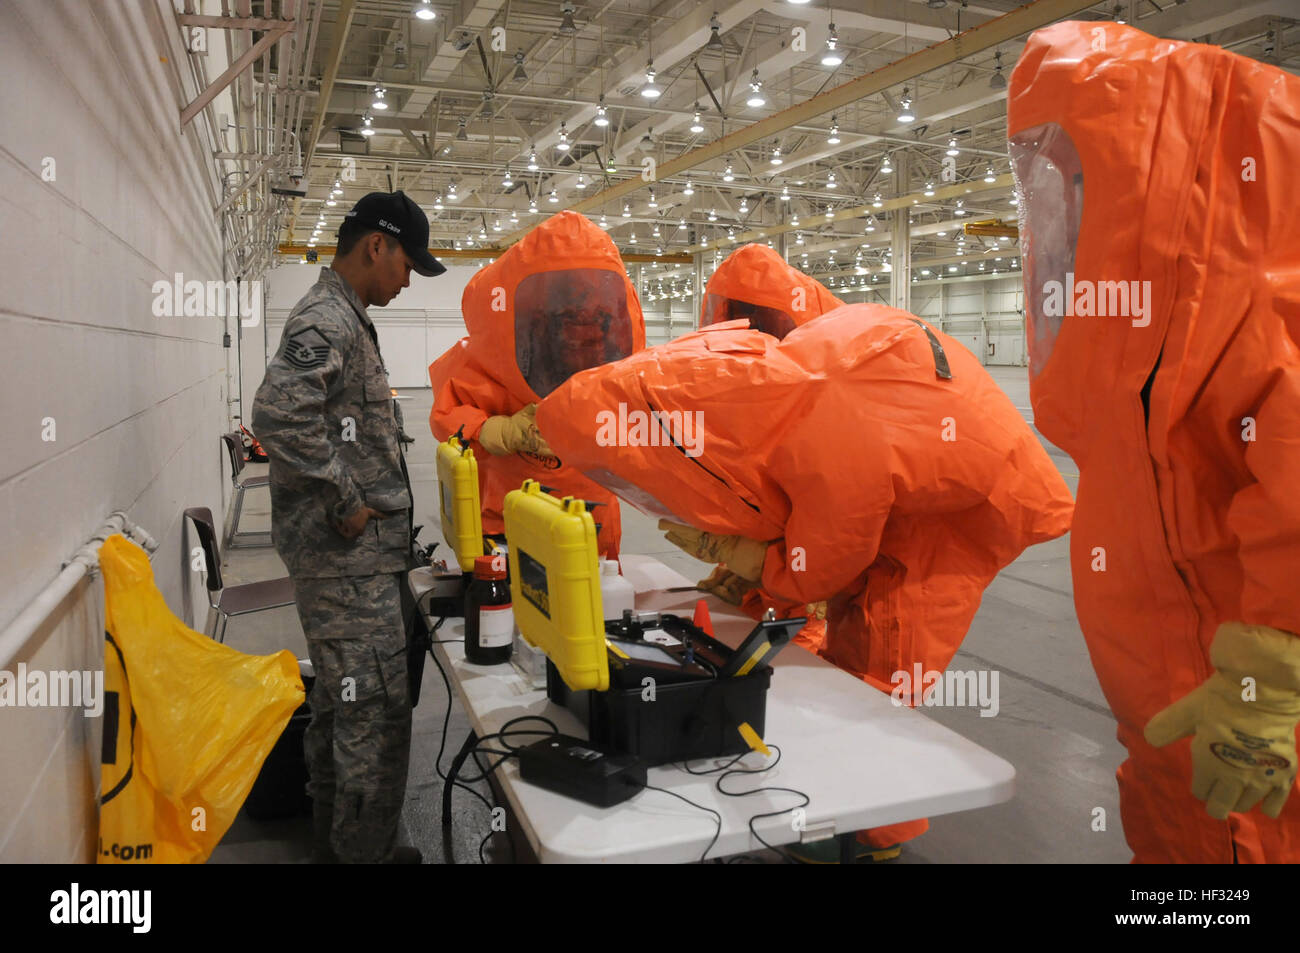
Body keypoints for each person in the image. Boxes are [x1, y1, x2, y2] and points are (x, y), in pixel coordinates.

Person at [536, 299, 1074, 861]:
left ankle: (872, 835)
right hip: (918, 486)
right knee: (853, 658)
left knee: (881, 672)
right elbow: (776, 486)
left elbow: (821, 568)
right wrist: (737, 561)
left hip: (963, 516)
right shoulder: (762, 393)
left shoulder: (827, 432)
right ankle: (847, 809)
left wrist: (746, 557)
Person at [1009, 21, 1300, 862]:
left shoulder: (1256, 301)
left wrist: (1272, 669)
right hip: (1172, 731)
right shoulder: (1155, 340)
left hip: (1250, 747)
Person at [252, 190, 446, 864]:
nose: (409, 278)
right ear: (375, 246)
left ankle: (344, 845)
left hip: (354, 562)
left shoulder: (345, 316)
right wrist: (345, 498)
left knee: (342, 709)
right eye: (407, 264)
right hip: (346, 564)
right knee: (375, 717)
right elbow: (278, 414)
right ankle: (365, 851)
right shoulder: (327, 318)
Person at [428, 210, 645, 559]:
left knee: (592, 604)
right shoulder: (495, 358)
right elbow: (447, 411)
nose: (581, 325)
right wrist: (495, 430)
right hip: (509, 523)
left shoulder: (612, 370)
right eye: (568, 314)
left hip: (591, 523)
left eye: (591, 313)